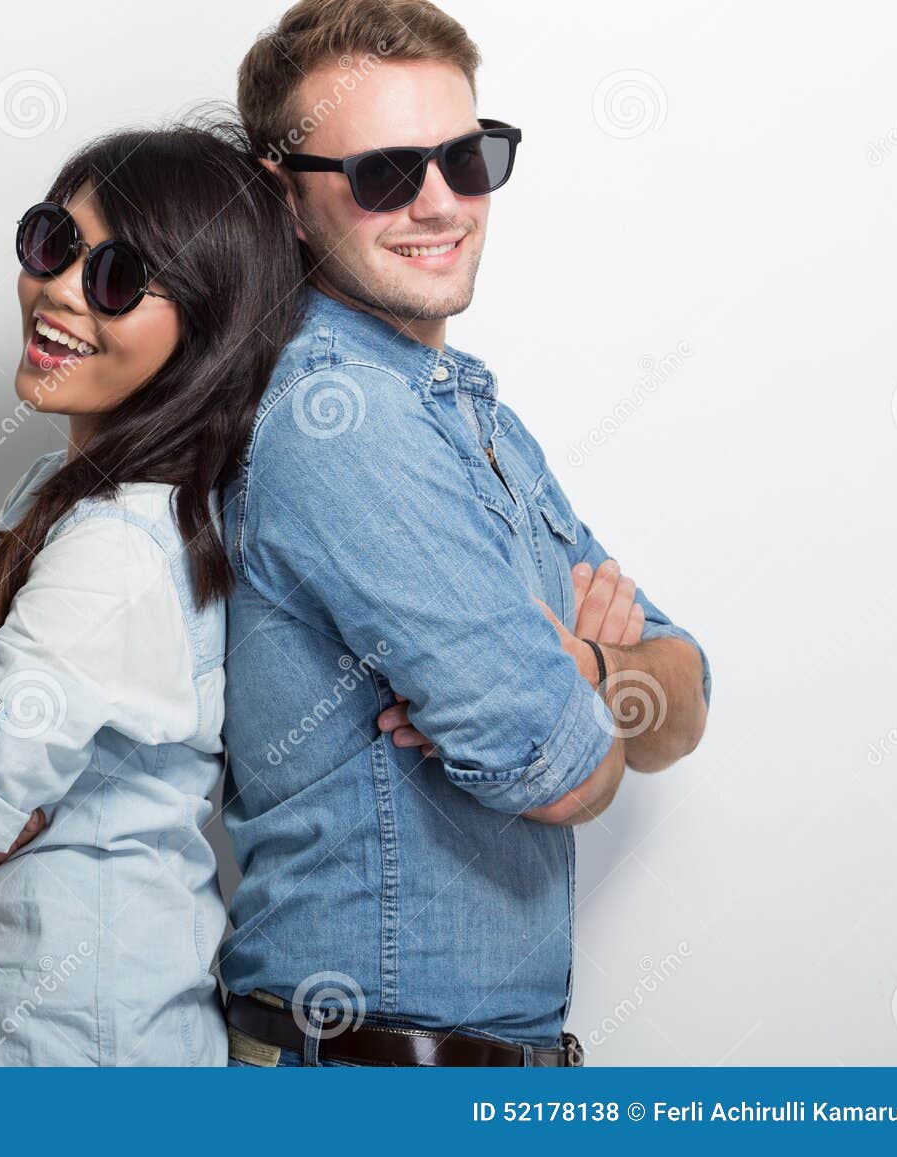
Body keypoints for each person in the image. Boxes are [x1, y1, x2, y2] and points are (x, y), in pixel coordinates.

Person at [218, 0, 713, 1067]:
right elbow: (566, 771)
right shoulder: (337, 420)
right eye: (384, 173)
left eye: (466, 157)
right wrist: (588, 693)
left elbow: (687, 698)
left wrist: (576, 659)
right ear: (284, 198)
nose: (440, 203)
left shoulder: (469, 414)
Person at [0, 120, 305, 1065]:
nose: (58, 288)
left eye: (118, 278)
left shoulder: (114, 550)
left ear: (206, 332)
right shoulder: (66, 494)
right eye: (56, 244)